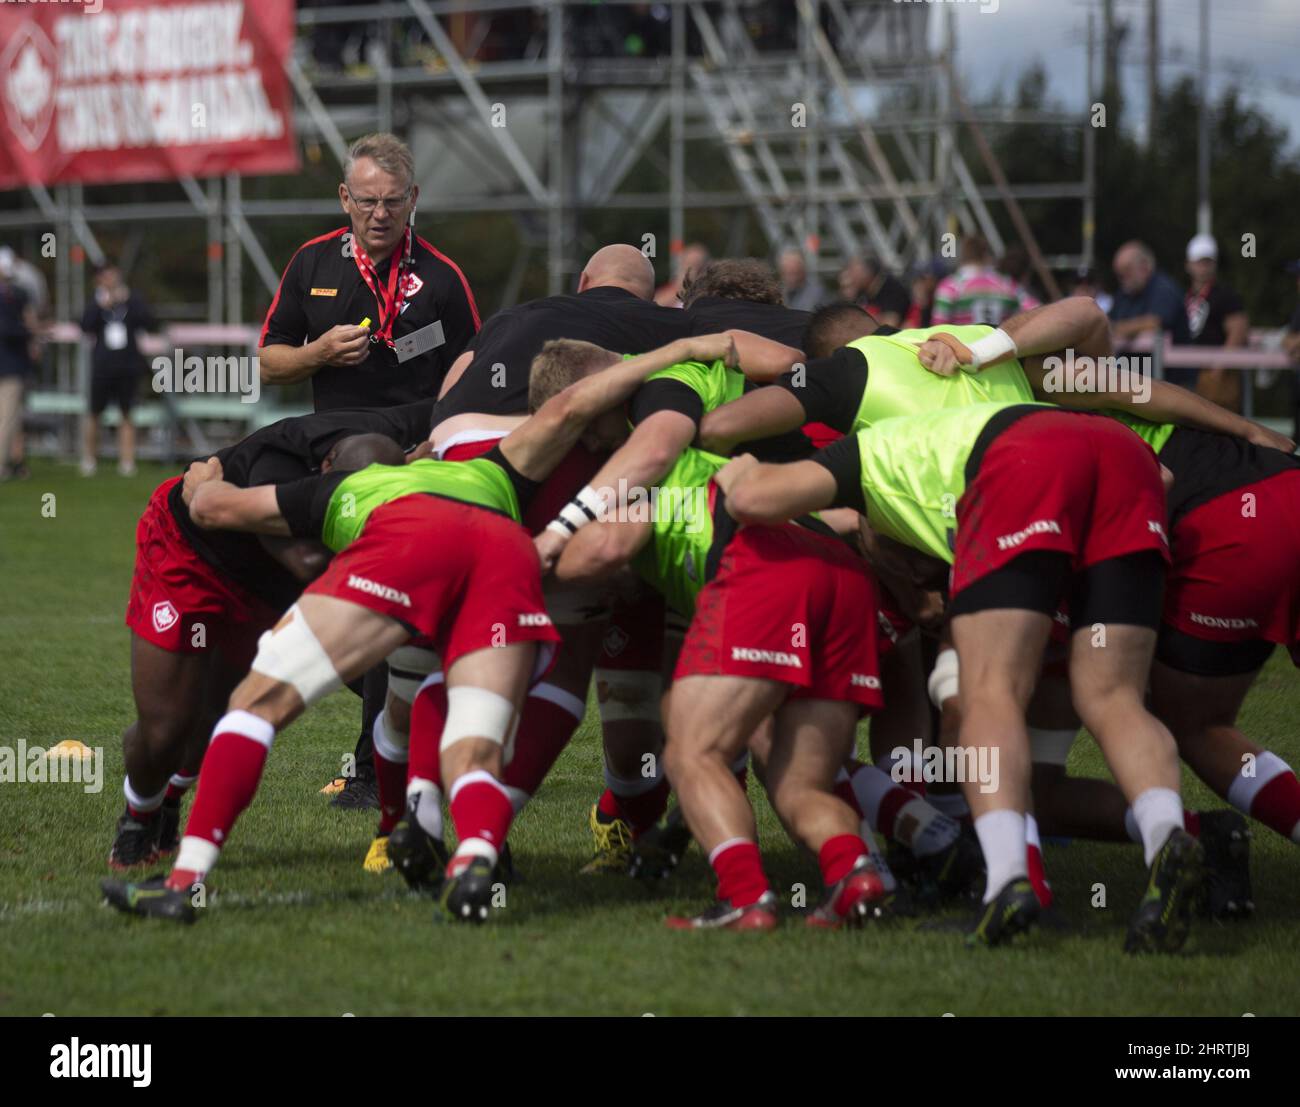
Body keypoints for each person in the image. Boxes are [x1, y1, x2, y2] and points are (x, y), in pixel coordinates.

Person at [101, 331, 738, 925]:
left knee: (255, 705)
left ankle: (185, 882)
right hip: (505, 554)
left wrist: (200, 478)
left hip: (404, 545)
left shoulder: (340, 496)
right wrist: (684, 346)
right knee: (474, 746)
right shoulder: (497, 467)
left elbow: (213, 510)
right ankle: (475, 861)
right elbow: (571, 407)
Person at [717, 399, 1204, 954]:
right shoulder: (938, 448)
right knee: (1114, 696)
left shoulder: (870, 454)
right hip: (1128, 460)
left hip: (1026, 460)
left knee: (989, 692)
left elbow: (755, 500)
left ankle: (1005, 885)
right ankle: (1167, 836)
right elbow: (1163, 474)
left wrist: (732, 469)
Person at [108, 401, 438, 869]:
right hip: (191, 555)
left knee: (216, 713)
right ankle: (138, 813)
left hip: (263, 588)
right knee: (165, 727)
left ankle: (171, 799)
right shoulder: (276, 469)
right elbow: (306, 563)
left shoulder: (382, 433)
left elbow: (448, 402)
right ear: (324, 471)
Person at [258, 132, 480, 411]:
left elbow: (474, 377)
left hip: (412, 443)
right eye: (367, 201)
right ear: (345, 198)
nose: (380, 214)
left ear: (412, 198)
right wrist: (320, 352)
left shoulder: (443, 277)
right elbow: (266, 366)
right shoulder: (312, 261)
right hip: (333, 439)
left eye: (393, 201)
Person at [435, 243, 691, 420]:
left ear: (583, 282)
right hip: (557, 444)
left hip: (461, 432)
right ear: (650, 300)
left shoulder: (508, 318)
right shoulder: (671, 325)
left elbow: (452, 385)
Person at [79, 263, 158, 478]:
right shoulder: (95, 302)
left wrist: (129, 301)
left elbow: (149, 322)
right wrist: (100, 306)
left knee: (127, 413)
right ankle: (89, 458)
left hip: (128, 365)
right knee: (94, 412)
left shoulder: (131, 300)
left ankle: (126, 461)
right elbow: (85, 326)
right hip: (103, 365)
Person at [1109, 240, 1192, 384]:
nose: (1122, 277)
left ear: (1145, 267)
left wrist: (1121, 328)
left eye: (1127, 270)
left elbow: (1155, 322)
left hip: (1171, 384)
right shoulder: (1124, 294)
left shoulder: (1164, 289)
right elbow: (1109, 323)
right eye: (1119, 273)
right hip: (1137, 382)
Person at [1183, 233, 1249, 412]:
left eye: (1208, 261)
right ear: (1188, 264)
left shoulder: (1226, 295)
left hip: (1215, 375)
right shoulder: (1186, 296)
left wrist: (1218, 370)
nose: (1203, 267)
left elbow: (1238, 331)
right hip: (1191, 374)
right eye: (1199, 261)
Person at [931, 235, 1033, 327]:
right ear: (986, 255)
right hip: (1001, 345)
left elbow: (939, 327)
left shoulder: (950, 286)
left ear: (963, 255)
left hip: (964, 345)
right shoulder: (1008, 285)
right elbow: (1034, 311)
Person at [0, 250, 36, 483]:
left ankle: (14, 460)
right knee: (7, 417)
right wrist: (31, 331)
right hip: (8, 362)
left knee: (11, 416)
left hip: (11, 364)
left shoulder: (19, 294)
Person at [839, 256, 910, 327]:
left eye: (853, 272)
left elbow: (888, 327)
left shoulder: (891, 290)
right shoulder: (862, 294)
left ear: (866, 273)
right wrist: (848, 297)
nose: (850, 277)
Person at [654, 242, 710, 307]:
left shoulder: (710, 293)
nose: (693, 271)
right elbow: (655, 306)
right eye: (689, 264)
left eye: (697, 265)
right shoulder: (669, 290)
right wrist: (682, 285)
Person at [777, 247, 825, 313]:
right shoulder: (778, 292)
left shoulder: (818, 294)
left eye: (795, 272)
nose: (791, 278)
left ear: (803, 271)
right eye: (787, 272)